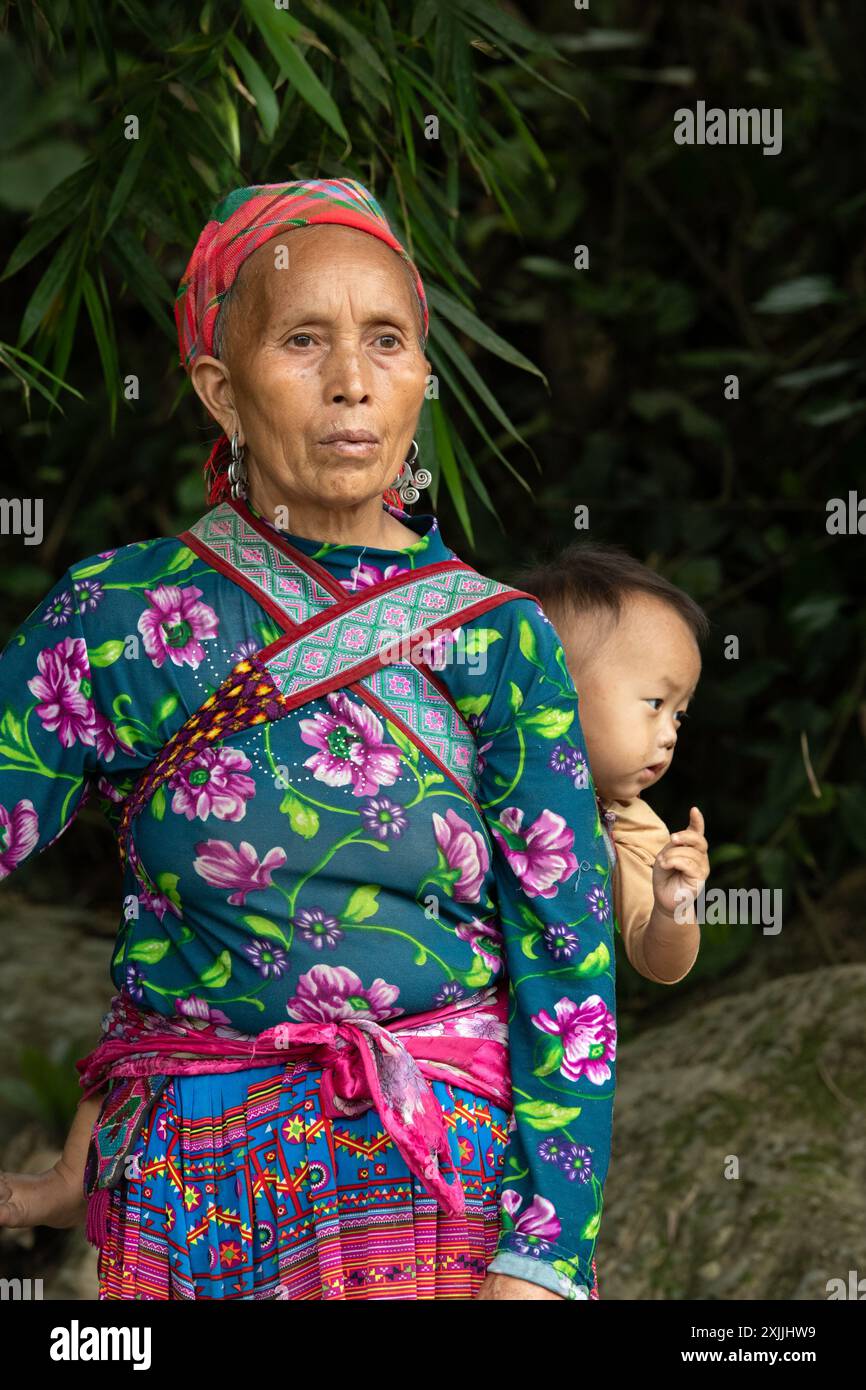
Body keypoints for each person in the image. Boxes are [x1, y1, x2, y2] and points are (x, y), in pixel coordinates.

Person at [0, 179, 615, 1300]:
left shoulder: (499, 639)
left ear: (423, 381)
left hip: (439, 1200)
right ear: (218, 388)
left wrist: (544, 1260)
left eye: (386, 340)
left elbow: (565, 967)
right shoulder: (120, 618)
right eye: (301, 341)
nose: (350, 381)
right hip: (191, 1196)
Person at [513, 542, 711, 986]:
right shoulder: (472, 765)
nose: (670, 733)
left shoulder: (629, 823)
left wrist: (672, 906)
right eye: (655, 703)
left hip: (556, 1028)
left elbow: (659, 962)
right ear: (558, 680)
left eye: (679, 713)